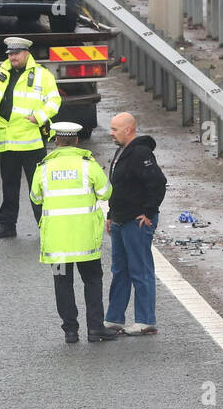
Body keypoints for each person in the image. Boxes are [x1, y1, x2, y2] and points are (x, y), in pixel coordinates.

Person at [30, 122, 121, 343]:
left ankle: (70, 331)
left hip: (58, 244)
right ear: (77, 141)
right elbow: (106, 193)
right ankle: (95, 329)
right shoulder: (88, 165)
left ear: (56, 141)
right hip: (84, 241)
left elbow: (36, 198)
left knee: (63, 283)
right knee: (92, 281)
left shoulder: (43, 168)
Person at [0, 36, 61, 239]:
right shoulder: (2, 73)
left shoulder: (42, 74)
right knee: (9, 186)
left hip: (32, 141)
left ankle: (46, 228)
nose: (12, 57)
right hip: (7, 141)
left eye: (16, 54)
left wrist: (39, 117)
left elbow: (54, 100)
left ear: (26, 53)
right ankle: (7, 226)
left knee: (38, 188)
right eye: (10, 54)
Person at [104, 112, 167, 336]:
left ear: (128, 130)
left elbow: (158, 183)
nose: (110, 133)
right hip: (120, 219)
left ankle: (145, 320)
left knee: (140, 270)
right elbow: (118, 187)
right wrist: (111, 214)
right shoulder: (121, 150)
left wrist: (149, 212)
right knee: (120, 270)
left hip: (136, 221)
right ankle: (114, 319)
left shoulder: (140, 153)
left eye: (114, 129)